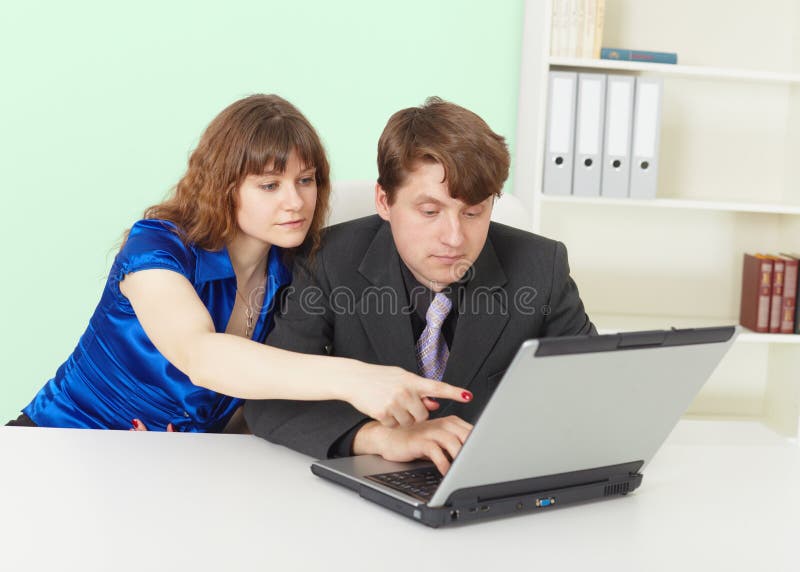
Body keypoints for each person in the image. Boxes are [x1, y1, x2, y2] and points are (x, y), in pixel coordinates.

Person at [6, 94, 471, 432]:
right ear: (224, 187)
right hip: (59, 442)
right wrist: (356, 378)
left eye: (306, 180)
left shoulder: (294, 270)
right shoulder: (156, 248)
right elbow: (201, 357)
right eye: (269, 185)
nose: (295, 202)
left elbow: (260, 405)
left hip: (164, 470)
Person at [244, 96, 596, 473]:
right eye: (430, 212)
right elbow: (269, 402)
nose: (454, 238)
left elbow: (593, 391)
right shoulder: (328, 260)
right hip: (369, 479)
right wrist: (379, 437)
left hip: (491, 480)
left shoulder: (541, 266)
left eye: (473, 212)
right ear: (384, 201)